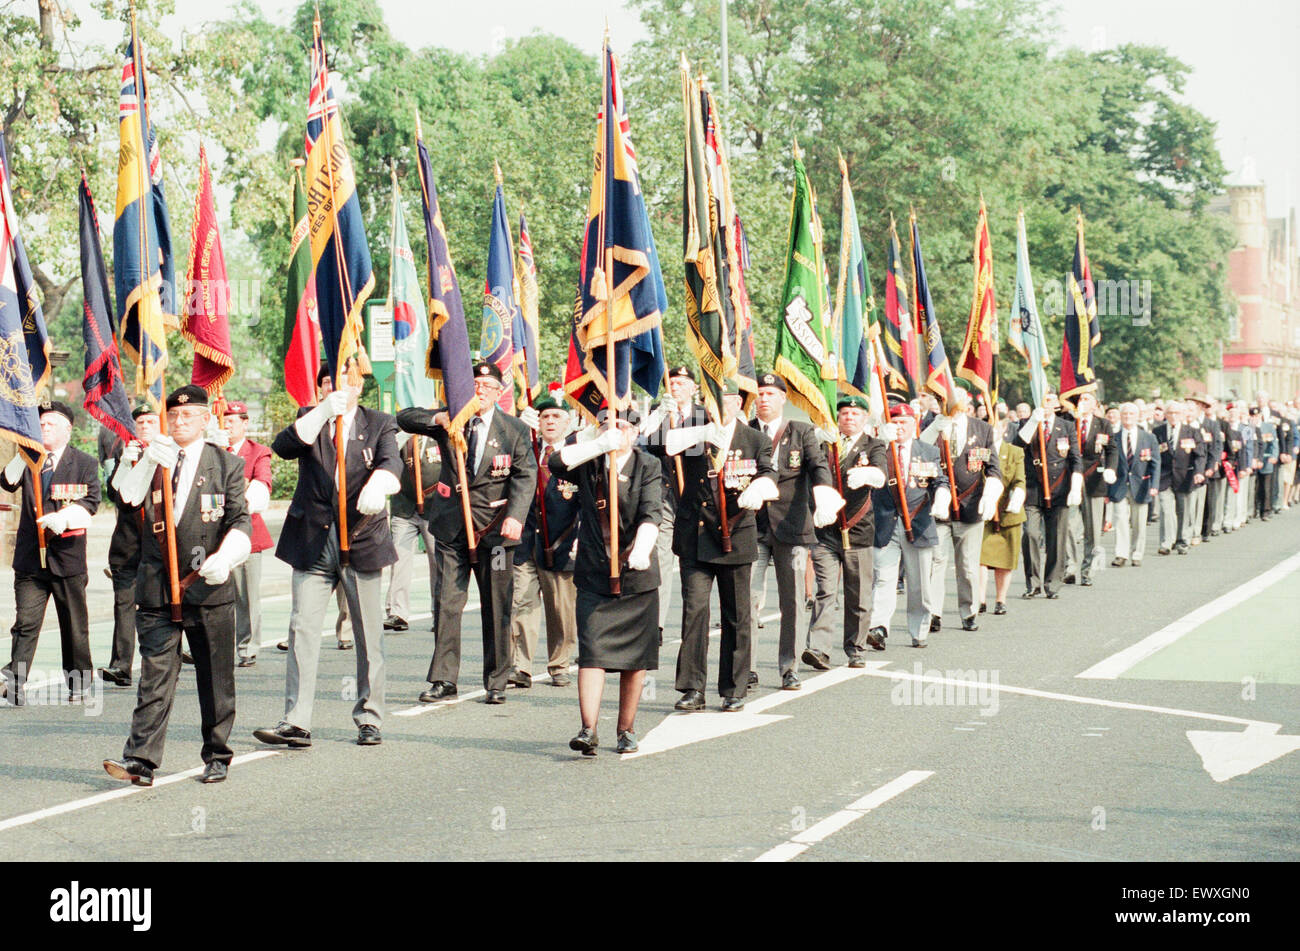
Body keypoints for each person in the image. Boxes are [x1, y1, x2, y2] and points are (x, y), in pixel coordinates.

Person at [103, 385, 251, 785]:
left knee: (215, 676)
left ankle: (217, 754)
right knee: (155, 676)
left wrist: (228, 555)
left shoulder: (227, 465)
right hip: (156, 587)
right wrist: (147, 462)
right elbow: (127, 501)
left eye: (189, 416)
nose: (180, 421)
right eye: (174, 416)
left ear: (206, 420)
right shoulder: (155, 459)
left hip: (207, 586)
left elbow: (239, 521)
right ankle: (141, 760)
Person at [253, 364, 402, 749]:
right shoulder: (310, 419)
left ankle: (369, 717)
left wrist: (383, 482)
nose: (336, 387)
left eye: (344, 380)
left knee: (368, 632)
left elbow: (391, 461)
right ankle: (296, 720)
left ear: (360, 385)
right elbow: (284, 448)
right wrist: (321, 412)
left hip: (361, 536)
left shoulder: (379, 422)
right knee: (302, 628)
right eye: (327, 382)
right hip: (313, 539)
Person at [396, 362, 536, 704]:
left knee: (498, 604)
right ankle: (444, 679)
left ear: (500, 391)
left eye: (489, 384)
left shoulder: (514, 429)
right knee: (446, 603)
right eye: (475, 383)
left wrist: (516, 516)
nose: (481, 389)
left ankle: (497, 680)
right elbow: (405, 418)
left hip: (497, 532)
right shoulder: (452, 422)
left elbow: (525, 475)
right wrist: (438, 418)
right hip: (451, 529)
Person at [649, 379, 776, 712]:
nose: (720, 407)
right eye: (713, 401)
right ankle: (692, 687)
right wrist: (701, 433)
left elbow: (768, 473)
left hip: (736, 535)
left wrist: (760, 489)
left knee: (737, 615)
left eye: (727, 401)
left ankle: (734, 687)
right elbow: (663, 444)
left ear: (738, 403)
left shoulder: (755, 439)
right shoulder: (692, 432)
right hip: (696, 536)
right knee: (694, 613)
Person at [548, 409, 660, 755]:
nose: (616, 432)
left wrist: (642, 549)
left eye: (622, 427)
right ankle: (588, 728)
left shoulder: (647, 466)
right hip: (595, 572)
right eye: (608, 426)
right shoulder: (591, 461)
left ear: (635, 432)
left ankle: (625, 729)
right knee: (592, 652)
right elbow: (555, 463)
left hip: (636, 572)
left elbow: (651, 512)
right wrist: (596, 445)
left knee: (635, 659)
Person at [0, 402, 101, 706]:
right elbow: (6, 481)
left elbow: (92, 502)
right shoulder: (29, 461)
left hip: (67, 558)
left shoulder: (84, 462)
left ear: (68, 429)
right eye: (41, 424)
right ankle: (14, 684)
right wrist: (23, 452)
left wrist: (66, 518)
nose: (44, 429)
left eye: (50, 424)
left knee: (74, 625)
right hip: (31, 560)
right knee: (26, 624)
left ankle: (79, 682)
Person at [747, 371, 839, 688]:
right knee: (748, 599)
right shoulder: (745, 433)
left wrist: (824, 493)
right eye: (758, 393)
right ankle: (746, 667)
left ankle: (789, 666)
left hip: (792, 527)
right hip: (754, 528)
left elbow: (817, 465)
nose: (763, 398)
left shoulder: (800, 431)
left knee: (793, 603)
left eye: (770, 393)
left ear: (783, 398)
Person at [509, 387, 580, 688]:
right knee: (522, 601)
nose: (550, 421)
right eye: (544, 416)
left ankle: (560, 662)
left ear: (568, 422)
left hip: (563, 541)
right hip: (526, 540)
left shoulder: (577, 454)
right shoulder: (525, 450)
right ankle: (520, 666)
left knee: (561, 609)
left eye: (556, 416)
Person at [810, 394, 886, 662]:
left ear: (864, 418)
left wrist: (870, 475)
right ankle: (819, 648)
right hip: (825, 530)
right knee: (825, 591)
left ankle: (856, 648)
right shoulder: (825, 443)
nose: (849, 418)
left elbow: (881, 474)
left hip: (857, 529)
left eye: (855, 414)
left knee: (858, 594)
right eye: (844, 414)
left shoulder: (873, 445)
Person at [920, 386, 1002, 630]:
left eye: (959, 399)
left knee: (967, 565)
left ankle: (969, 612)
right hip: (938, 506)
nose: (955, 404)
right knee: (936, 561)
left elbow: (993, 468)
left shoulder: (983, 428)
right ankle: (933, 613)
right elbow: (918, 451)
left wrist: (991, 494)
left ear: (967, 402)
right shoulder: (932, 426)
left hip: (970, 506)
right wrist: (935, 427)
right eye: (948, 399)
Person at [868, 403, 948, 647]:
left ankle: (919, 629)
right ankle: (878, 627)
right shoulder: (879, 450)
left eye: (903, 422)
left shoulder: (927, 451)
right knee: (883, 578)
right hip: (886, 523)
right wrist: (880, 445)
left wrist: (942, 497)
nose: (899, 427)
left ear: (913, 424)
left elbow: (938, 480)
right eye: (894, 422)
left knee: (919, 582)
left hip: (918, 522)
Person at [643, 365, 708, 642]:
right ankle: (655, 624)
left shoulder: (706, 415)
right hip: (665, 496)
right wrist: (660, 416)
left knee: (692, 564)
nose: (676, 387)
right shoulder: (659, 413)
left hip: (696, 497)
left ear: (694, 388)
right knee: (660, 558)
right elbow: (647, 444)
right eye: (672, 382)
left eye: (682, 382)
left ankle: (692, 624)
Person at [99, 405, 159, 689]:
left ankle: (161, 661)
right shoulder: (125, 455)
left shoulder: (169, 454)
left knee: (160, 607)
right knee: (124, 605)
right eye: (140, 422)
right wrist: (124, 464)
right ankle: (121, 665)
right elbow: (114, 494)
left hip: (160, 546)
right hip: (127, 547)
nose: (145, 425)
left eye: (150, 421)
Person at [216, 400, 274, 667]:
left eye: (232, 421)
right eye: (223, 420)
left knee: (246, 596)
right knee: (211, 594)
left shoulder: (257, 451)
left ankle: (247, 647)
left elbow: (262, 484)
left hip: (246, 533)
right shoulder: (212, 450)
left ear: (244, 423)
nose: (226, 426)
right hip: (213, 533)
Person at [1012, 390, 1082, 598]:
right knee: (1030, 534)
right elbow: (1017, 445)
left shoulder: (1066, 426)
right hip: (1033, 489)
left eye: (1050, 400)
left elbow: (1074, 457)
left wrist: (1076, 484)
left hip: (1059, 488)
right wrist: (1033, 421)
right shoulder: (1028, 422)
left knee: (1056, 537)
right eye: (1043, 399)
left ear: (1056, 405)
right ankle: (1032, 582)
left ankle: (1052, 583)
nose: (1046, 403)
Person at [384, 425, 441, 634]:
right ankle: (397, 612)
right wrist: (403, 435)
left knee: (437, 561)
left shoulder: (439, 437)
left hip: (434, 508)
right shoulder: (400, 437)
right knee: (399, 559)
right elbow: (388, 457)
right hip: (404, 507)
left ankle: (439, 613)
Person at [1064, 391, 1117, 586]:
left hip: (1094, 478)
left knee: (1092, 529)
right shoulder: (1068, 421)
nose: (1082, 402)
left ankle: (1088, 570)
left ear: (1095, 405)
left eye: (1087, 399)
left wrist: (1111, 468)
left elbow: (1111, 449)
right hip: (1070, 479)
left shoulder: (1103, 424)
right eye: (1080, 399)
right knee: (1067, 525)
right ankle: (1069, 565)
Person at [978, 411, 1026, 615]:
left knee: (1005, 561)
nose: (993, 431)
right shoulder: (979, 451)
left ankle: (1000, 599)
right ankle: (979, 599)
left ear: (1004, 429)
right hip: (984, 513)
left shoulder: (1014, 452)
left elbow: (1019, 480)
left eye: (997, 427)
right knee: (980, 559)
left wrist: (1017, 497)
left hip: (1008, 514)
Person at [1153, 401, 1205, 553]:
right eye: (1170, 413)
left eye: (1177, 413)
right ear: (1165, 415)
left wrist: (1198, 472)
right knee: (1166, 510)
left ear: (1182, 415)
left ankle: (1182, 540)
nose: (1173, 416)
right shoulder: (1158, 432)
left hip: (1185, 476)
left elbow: (1200, 455)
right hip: (1164, 477)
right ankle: (1166, 542)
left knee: (1183, 510)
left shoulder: (1192, 432)